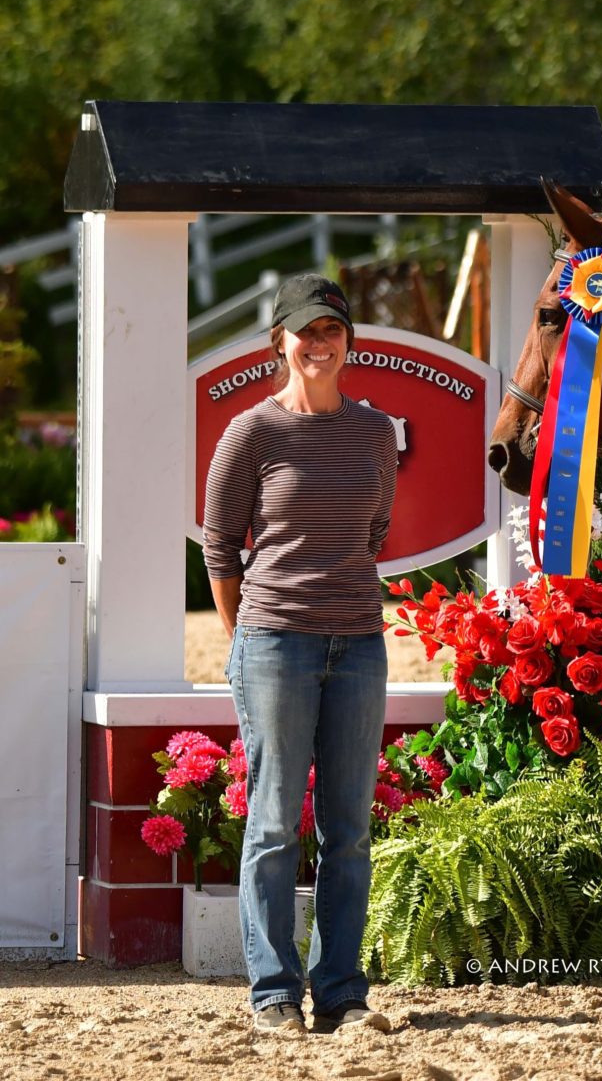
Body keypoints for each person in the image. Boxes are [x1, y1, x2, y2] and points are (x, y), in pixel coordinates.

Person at [202, 275, 398, 1035]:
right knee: (276, 823)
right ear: (278, 342)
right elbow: (220, 549)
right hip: (274, 643)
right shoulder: (250, 434)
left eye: (331, 330)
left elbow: (374, 532)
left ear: (350, 342)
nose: (318, 343)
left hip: (358, 645)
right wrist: (249, 633)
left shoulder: (376, 433)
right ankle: (273, 993)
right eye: (304, 331)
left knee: (348, 829)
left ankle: (343, 992)